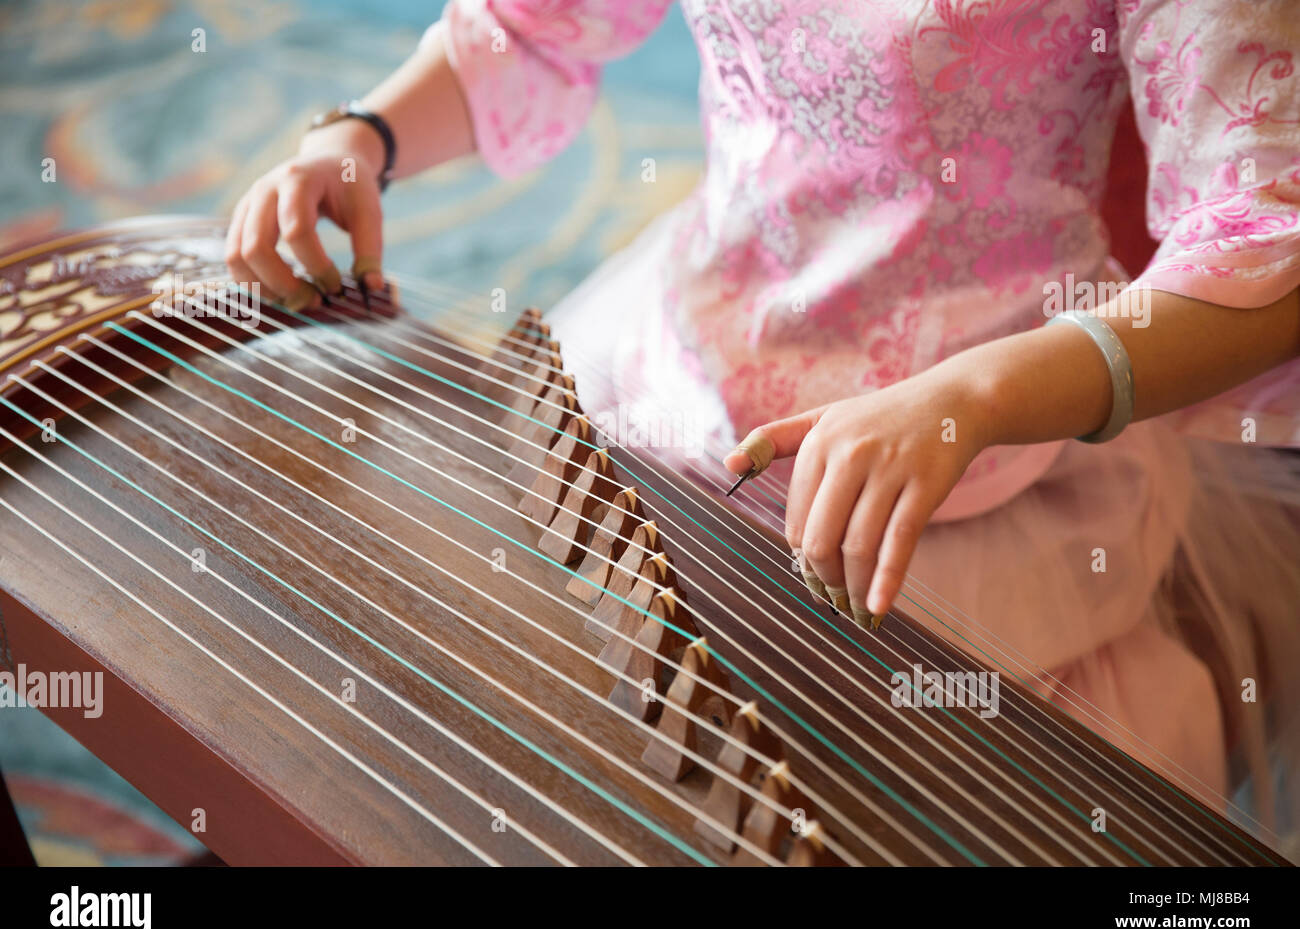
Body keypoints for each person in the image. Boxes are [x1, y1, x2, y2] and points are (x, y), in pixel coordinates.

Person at [225, 0, 1300, 854]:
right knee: (511, 678)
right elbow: (533, 24)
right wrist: (362, 136)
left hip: (986, 438)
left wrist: (978, 395)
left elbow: (1268, 231)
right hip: (679, 341)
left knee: (801, 793)